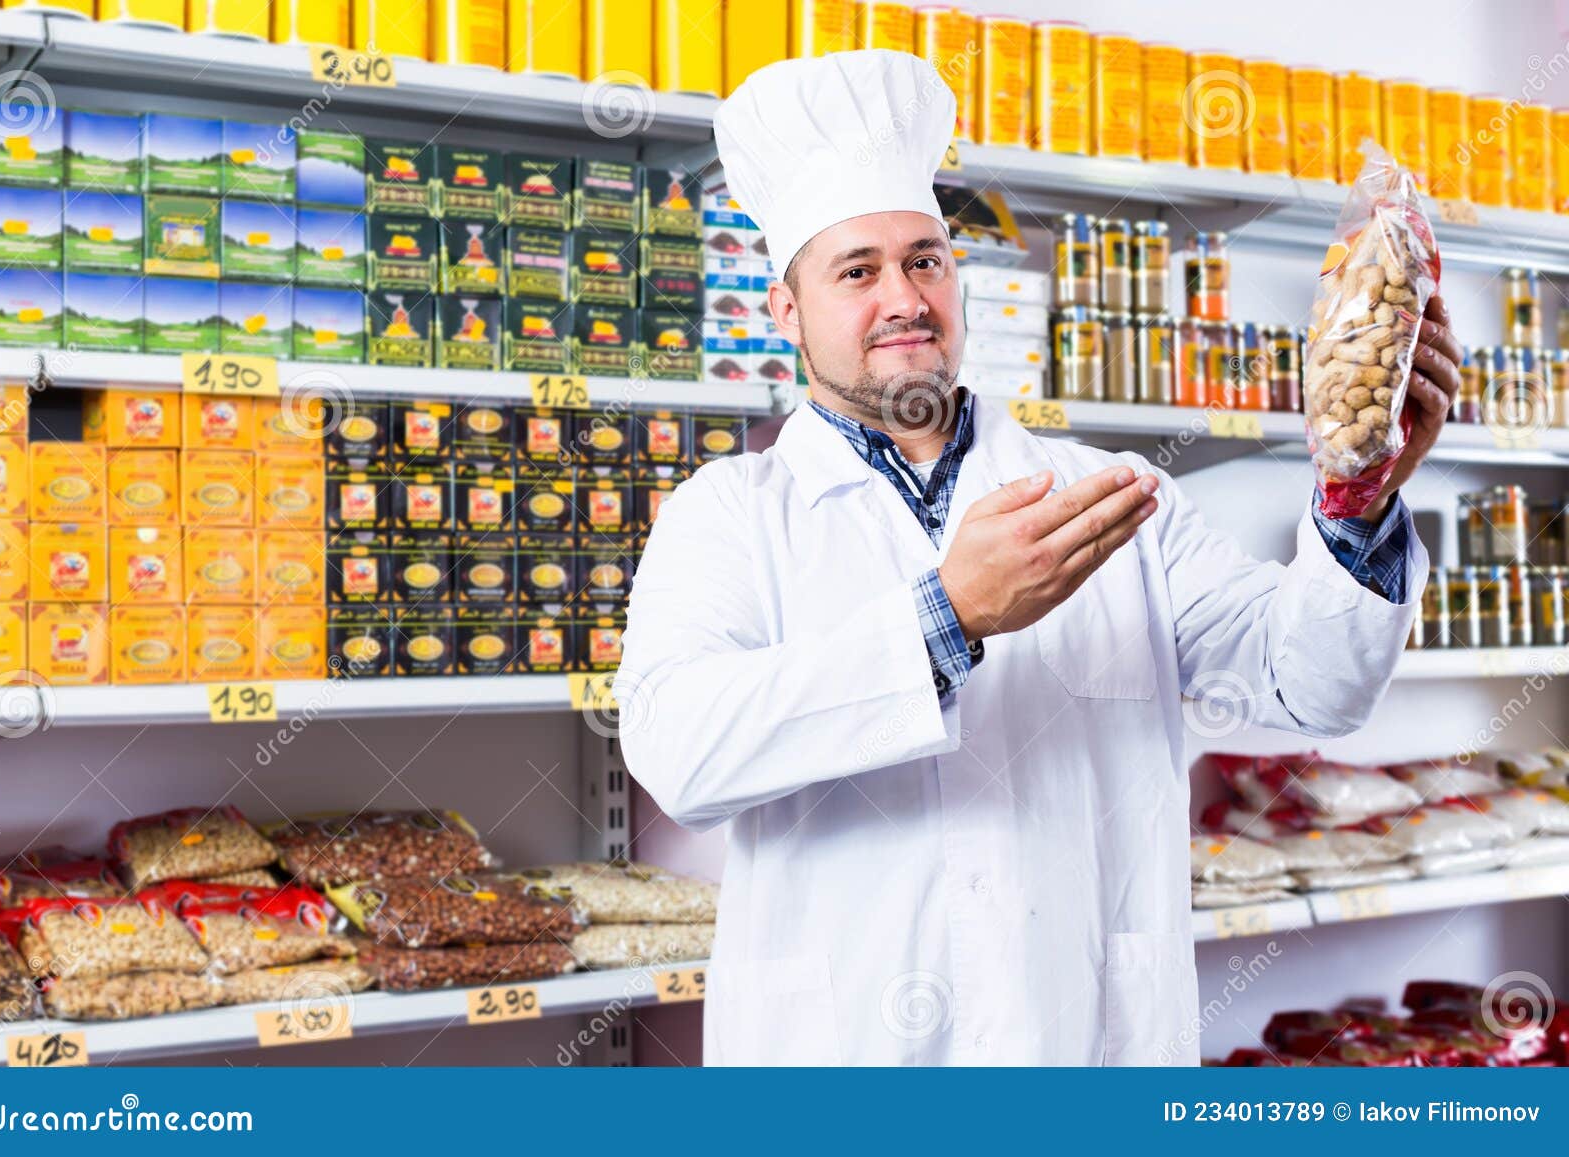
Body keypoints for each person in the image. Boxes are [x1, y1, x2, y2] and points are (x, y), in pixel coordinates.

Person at [616, 50, 1459, 1065]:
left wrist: (1357, 492)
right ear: (785, 313)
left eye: (925, 258)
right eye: (857, 269)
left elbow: (1310, 687)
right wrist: (947, 615)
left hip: (1087, 1047)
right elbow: (681, 751)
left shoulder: (1112, 493)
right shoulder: (729, 515)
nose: (903, 296)